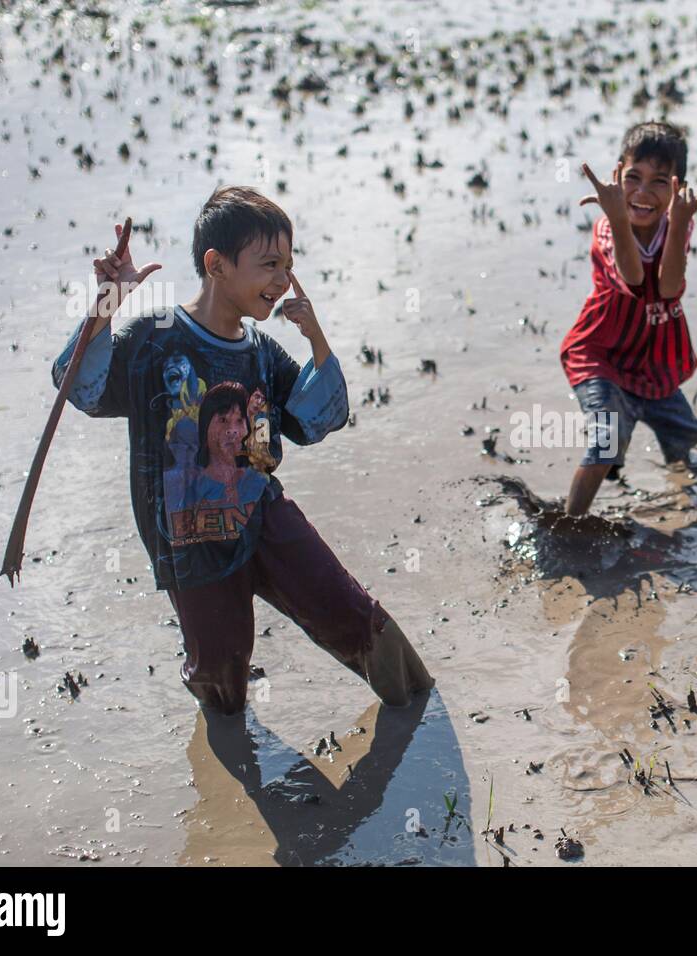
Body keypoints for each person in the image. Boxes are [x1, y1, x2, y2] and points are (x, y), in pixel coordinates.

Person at [53, 186, 433, 715]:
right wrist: (107, 303)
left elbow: (312, 419)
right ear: (217, 265)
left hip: (262, 516)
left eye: (289, 265)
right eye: (270, 264)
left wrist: (317, 338)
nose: (283, 281)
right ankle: (224, 735)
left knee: (344, 605)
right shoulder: (156, 338)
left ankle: (419, 702)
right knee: (221, 677)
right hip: (189, 541)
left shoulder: (262, 352)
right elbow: (81, 388)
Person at [559, 121, 697, 516]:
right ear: (616, 176)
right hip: (602, 352)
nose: (643, 193)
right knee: (606, 439)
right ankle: (570, 525)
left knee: (687, 433)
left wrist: (678, 224)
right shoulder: (607, 227)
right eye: (633, 178)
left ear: (677, 187)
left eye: (660, 181)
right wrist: (619, 219)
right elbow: (632, 278)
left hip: (655, 356)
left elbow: (667, 288)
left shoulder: (679, 222)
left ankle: (682, 482)